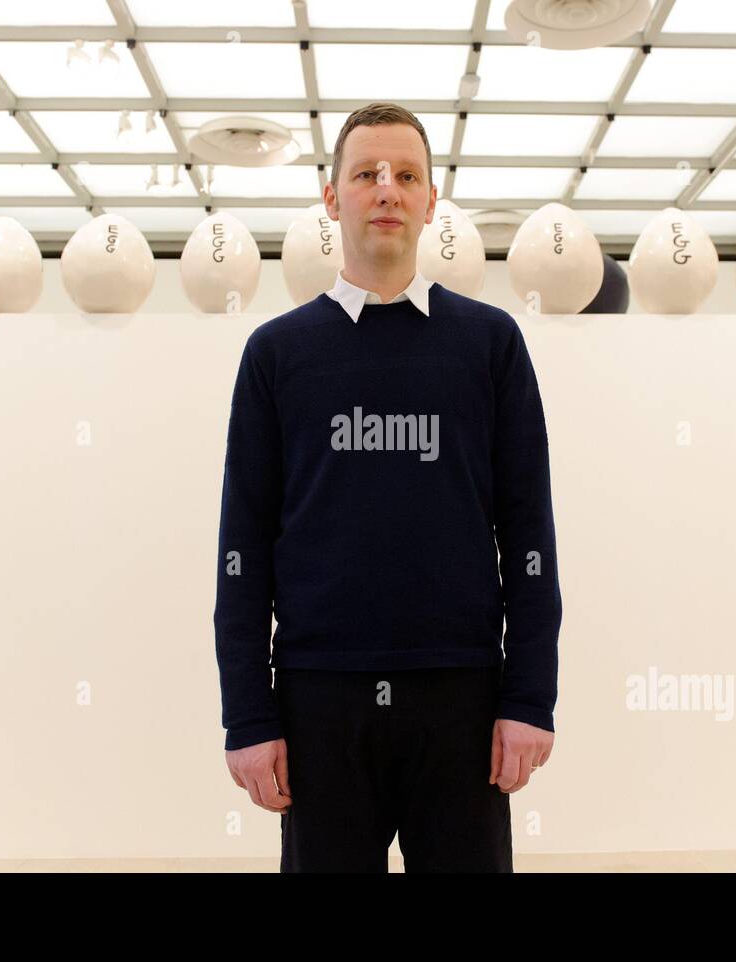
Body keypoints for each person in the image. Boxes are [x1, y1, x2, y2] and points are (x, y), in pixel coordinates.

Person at [213, 102, 562, 872]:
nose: (387, 190)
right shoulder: (276, 355)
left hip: (463, 700)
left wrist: (528, 698)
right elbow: (243, 545)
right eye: (366, 174)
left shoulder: (491, 345)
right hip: (318, 703)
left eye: (407, 175)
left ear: (432, 199)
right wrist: (247, 714)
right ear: (332, 198)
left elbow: (529, 532)